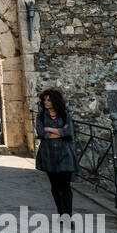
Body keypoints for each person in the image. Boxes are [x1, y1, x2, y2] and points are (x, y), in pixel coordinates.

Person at [35, 88, 78, 216]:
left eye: (49, 100)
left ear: (55, 101)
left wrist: (49, 129)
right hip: (48, 155)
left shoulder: (65, 116)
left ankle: (67, 215)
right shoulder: (41, 116)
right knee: (55, 186)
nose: (46, 102)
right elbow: (41, 133)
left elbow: (69, 132)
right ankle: (61, 213)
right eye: (44, 100)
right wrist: (59, 131)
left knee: (65, 186)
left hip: (65, 154)